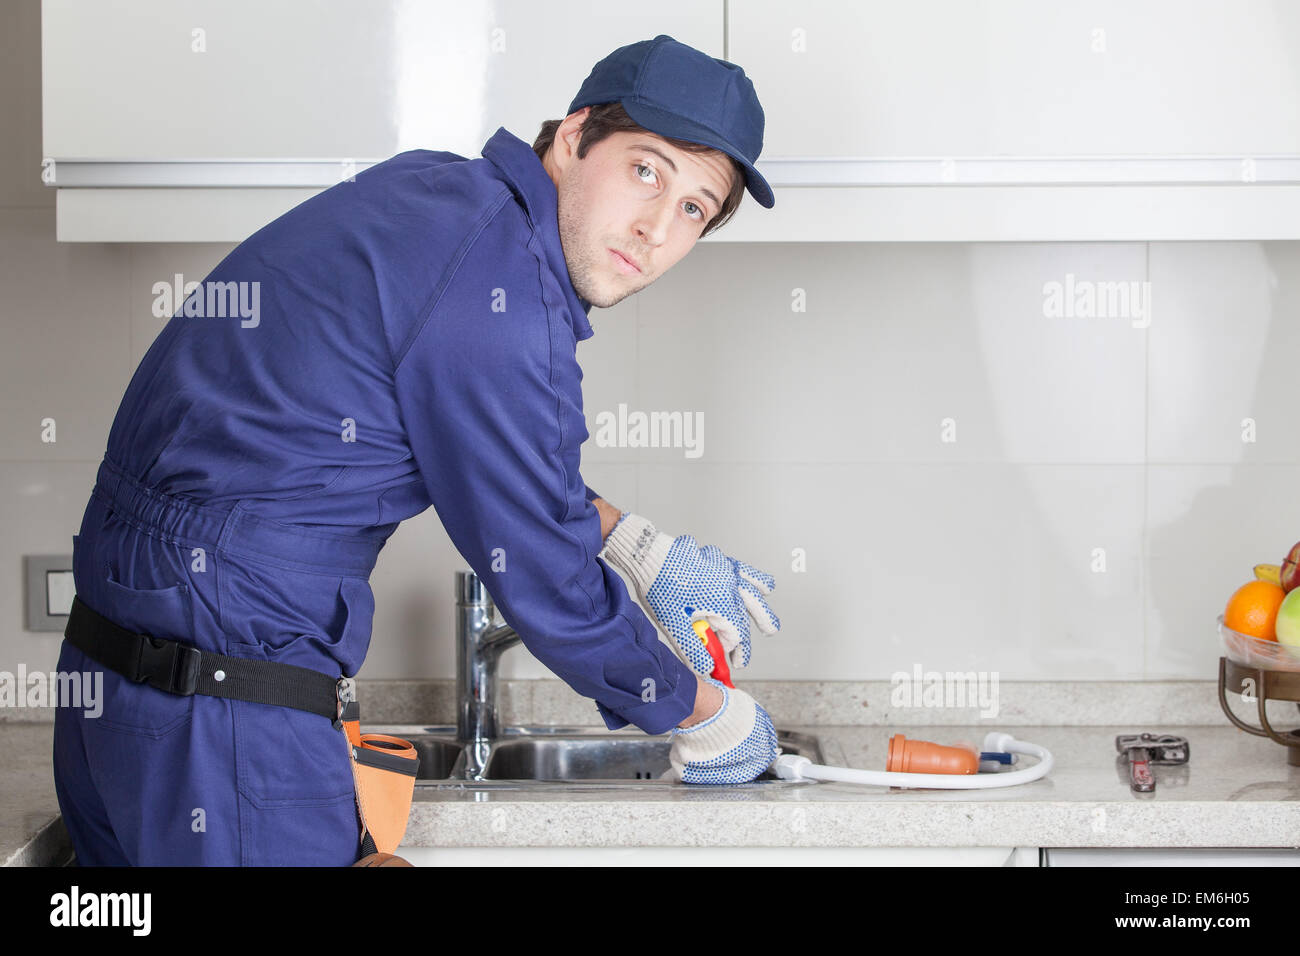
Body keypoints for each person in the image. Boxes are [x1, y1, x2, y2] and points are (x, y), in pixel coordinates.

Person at [52, 33, 783, 866]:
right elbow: (549, 580)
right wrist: (703, 714)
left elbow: (482, 452)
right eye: (647, 170)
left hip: (117, 690)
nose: (654, 228)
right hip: (222, 718)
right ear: (576, 136)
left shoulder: (436, 193)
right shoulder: (503, 298)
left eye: (693, 209)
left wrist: (638, 544)